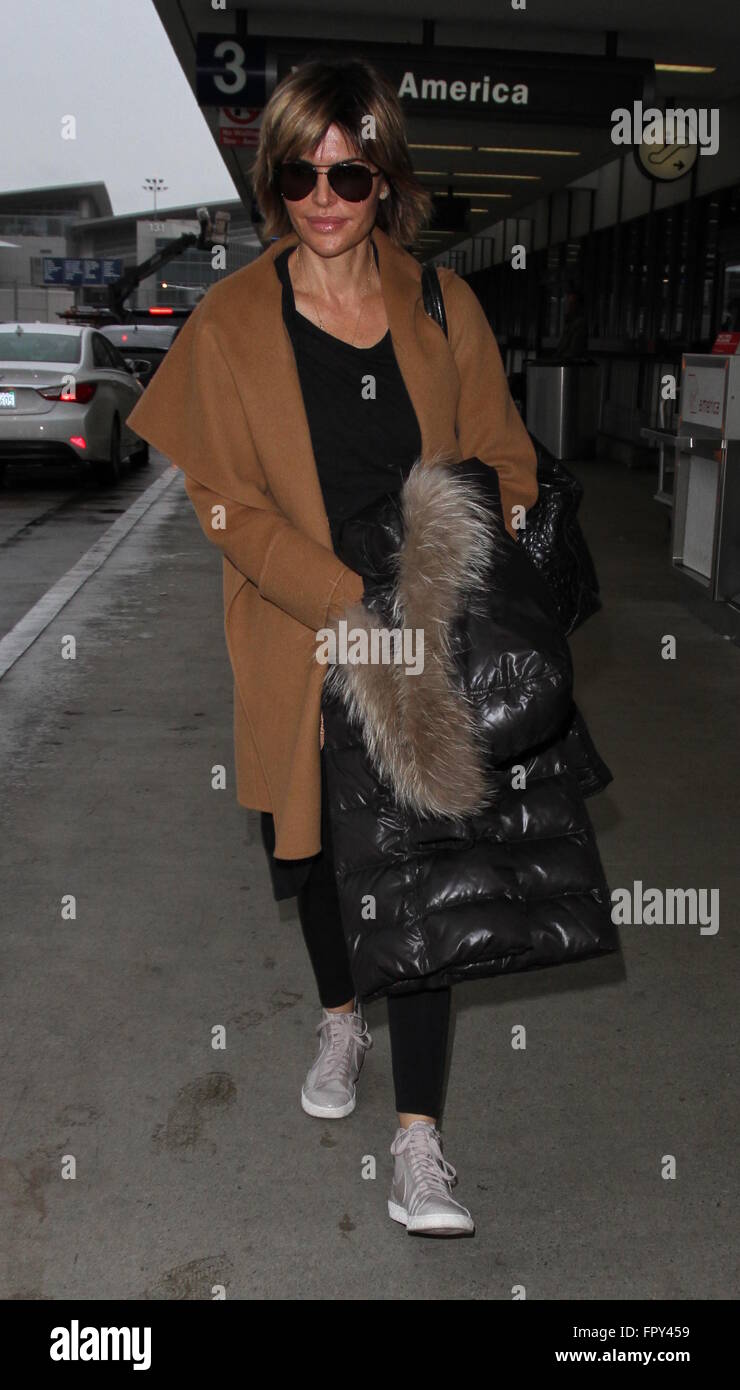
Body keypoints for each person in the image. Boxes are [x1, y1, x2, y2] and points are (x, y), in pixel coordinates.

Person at [126, 56, 539, 1237]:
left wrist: (445, 569)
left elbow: (503, 462)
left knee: (423, 866)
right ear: (273, 180)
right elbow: (220, 499)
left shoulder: (439, 307)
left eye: (347, 174)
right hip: (297, 631)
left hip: (424, 636)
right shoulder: (231, 320)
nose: (322, 196)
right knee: (311, 855)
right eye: (299, 173)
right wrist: (336, 591)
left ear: (385, 180)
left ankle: (418, 1141)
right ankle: (337, 1008)